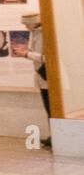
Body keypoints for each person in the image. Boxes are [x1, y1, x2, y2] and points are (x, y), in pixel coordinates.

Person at [21, 13, 50, 149]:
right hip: (42, 76)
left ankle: (57, 136)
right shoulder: (35, 33)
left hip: (47, 77)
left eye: (26, 23)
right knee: (48, 108)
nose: (25, 26)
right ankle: (54, 135)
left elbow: (47, 57)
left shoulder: (44, 34)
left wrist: (26, 54)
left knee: (51, 108)